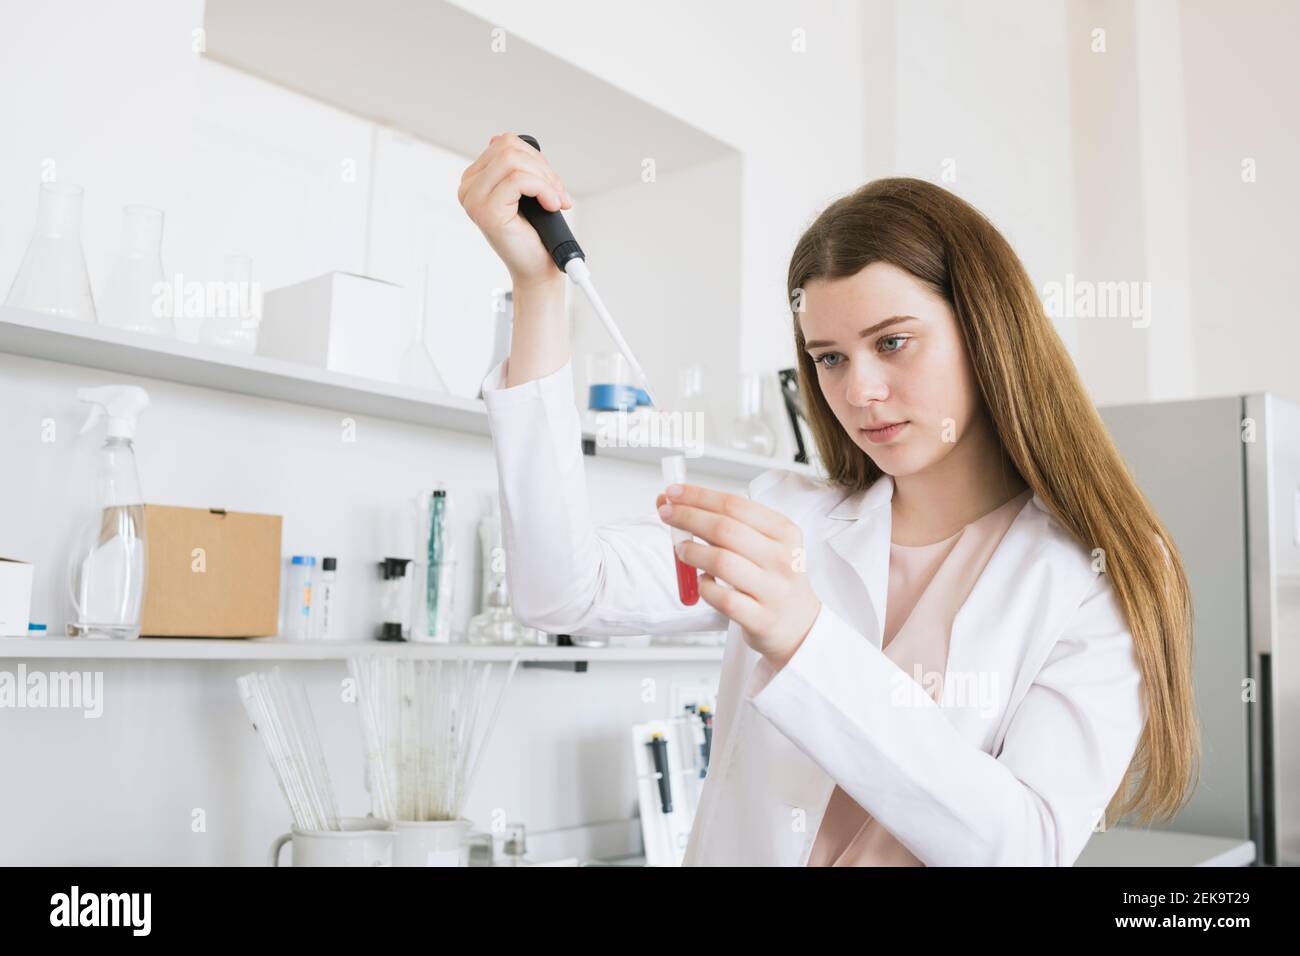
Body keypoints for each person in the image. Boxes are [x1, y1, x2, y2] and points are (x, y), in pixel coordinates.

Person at [458, 132, 1198, 866]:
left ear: (986, 331)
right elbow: (562, 592)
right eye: (830, 358)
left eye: (894, 343)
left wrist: (805, 638)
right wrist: (538, 290)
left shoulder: (1095, 571)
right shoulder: (792, 517)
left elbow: (1021, 849)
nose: (858, 392)